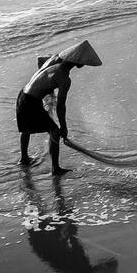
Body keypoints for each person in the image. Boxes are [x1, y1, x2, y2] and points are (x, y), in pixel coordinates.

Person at [17, 40, 101, 175]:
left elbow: (40, 60)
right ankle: (55, 169)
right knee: (54, 132)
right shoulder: (64, 79)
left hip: (23, 94)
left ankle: (24, 158)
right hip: (32, 101)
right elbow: (61, 106)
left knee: (26, 128)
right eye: (83, 62)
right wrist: (64, 127)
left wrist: (45, 85)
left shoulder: (54, 58)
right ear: (78, 62)